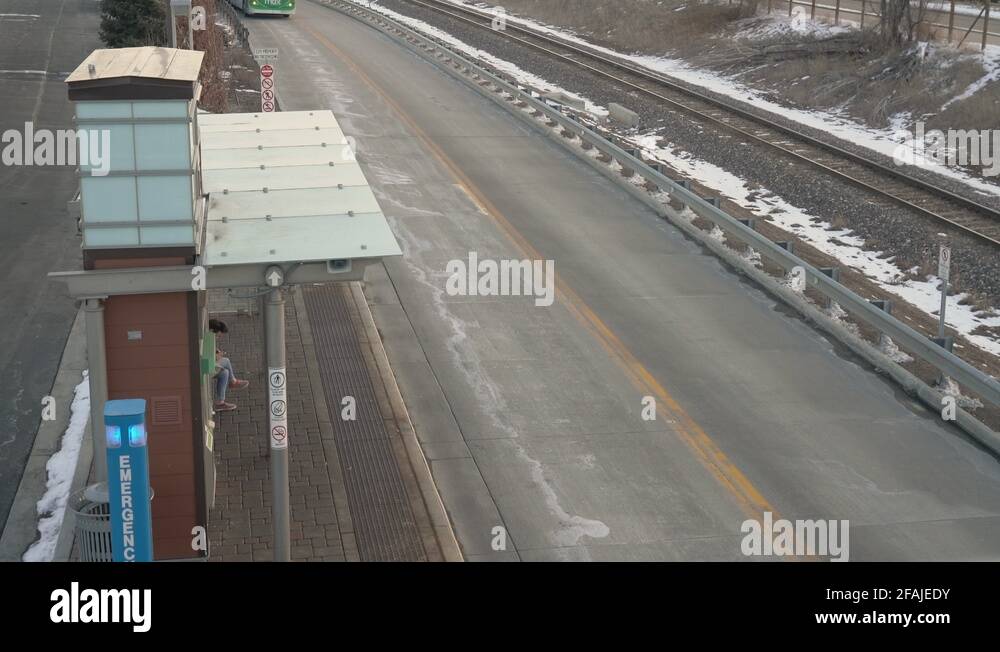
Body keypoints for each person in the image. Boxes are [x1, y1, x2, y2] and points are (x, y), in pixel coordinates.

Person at [209, 319, 249, 412]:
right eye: (217, 335)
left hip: (208, 364)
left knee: (225, 373)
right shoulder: (206, 338)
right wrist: (216, 357)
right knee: (226, 360)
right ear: (211, 331)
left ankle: (220, 402)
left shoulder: (208, 336)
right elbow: (206, 356)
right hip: (204, 367)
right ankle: (233, 382)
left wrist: (216, 352)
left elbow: (210, 351)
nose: (217, 338)